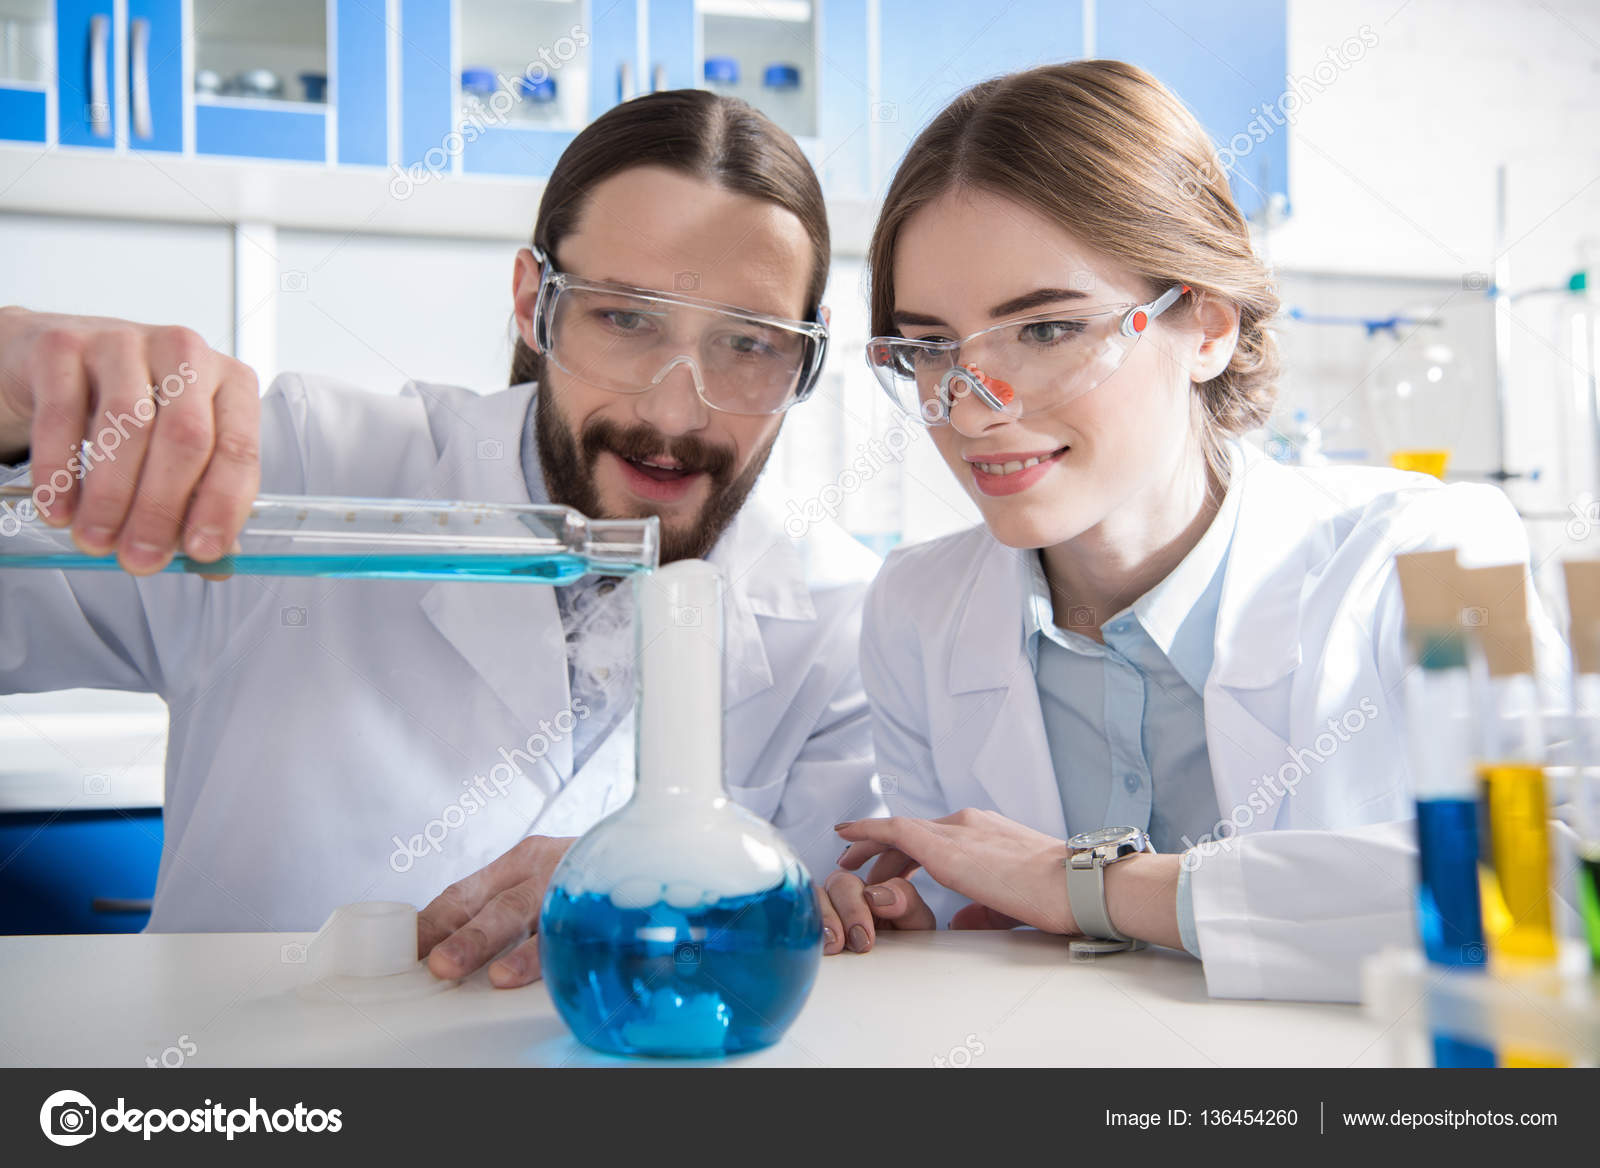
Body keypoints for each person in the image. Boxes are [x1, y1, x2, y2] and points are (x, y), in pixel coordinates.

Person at [0, 92, 881, 980]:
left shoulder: (845, 625)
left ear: (808, 355)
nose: (675, 410)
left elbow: (835, 945)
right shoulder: (305, 468)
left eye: (749, 343)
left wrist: (684, 894)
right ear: (534, 304)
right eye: (624, 318)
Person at [813, 60, 1565, 1002]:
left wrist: (1090, 886)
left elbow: (1554, 884)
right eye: (928, 349)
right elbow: (989, 921)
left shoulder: (1445, 549)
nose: (969, 409)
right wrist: (910, 914)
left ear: (1205, 324)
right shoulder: (914, 610)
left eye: (1044, 330)